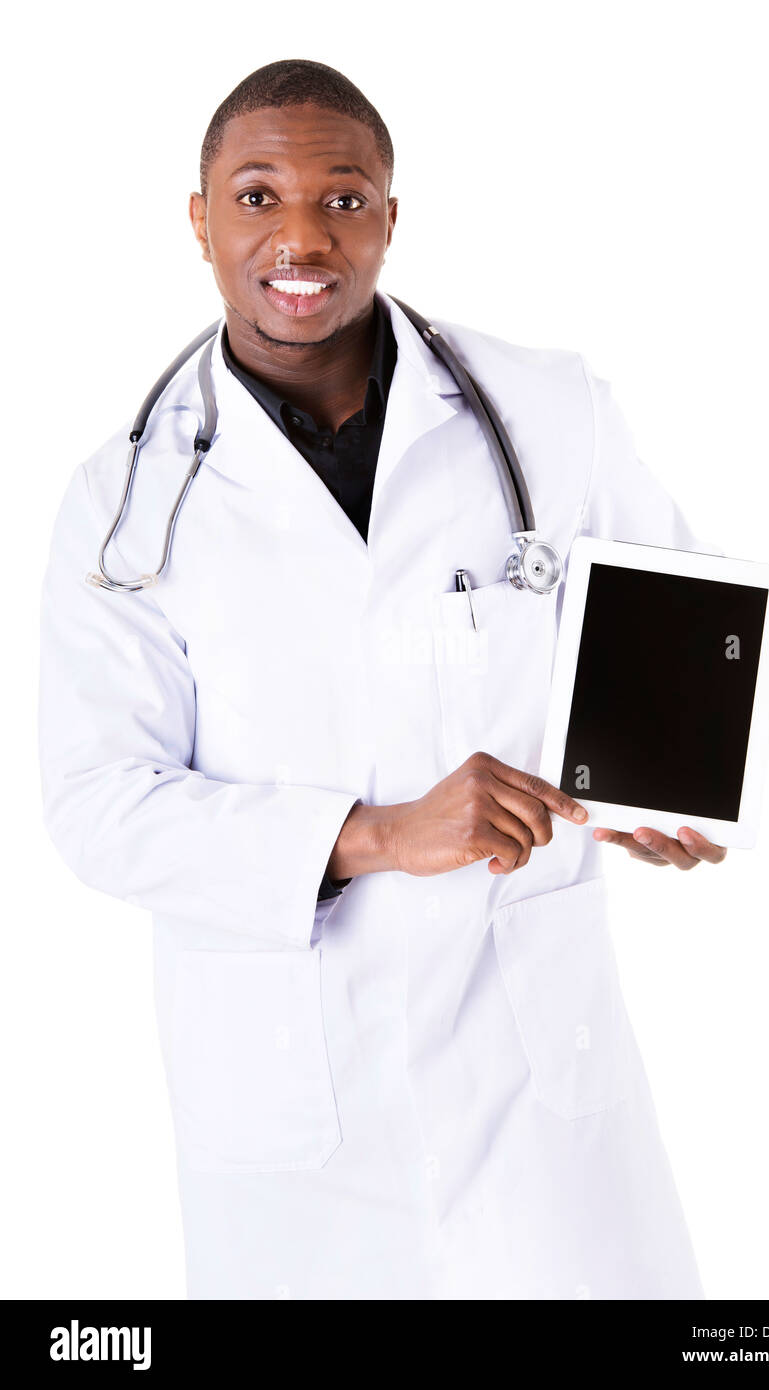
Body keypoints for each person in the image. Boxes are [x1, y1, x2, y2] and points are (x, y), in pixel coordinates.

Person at [38, 58, 727, 1301]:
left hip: (537, 1098)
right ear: (198, 218)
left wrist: (661, 794)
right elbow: (97, 804)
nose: (301, 237)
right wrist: (374, 836)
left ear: (391, 217)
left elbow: (678, 623)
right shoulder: (124, 506)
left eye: (343, 199)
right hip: (294, 1112)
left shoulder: (546, 410)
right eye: (256, 197)